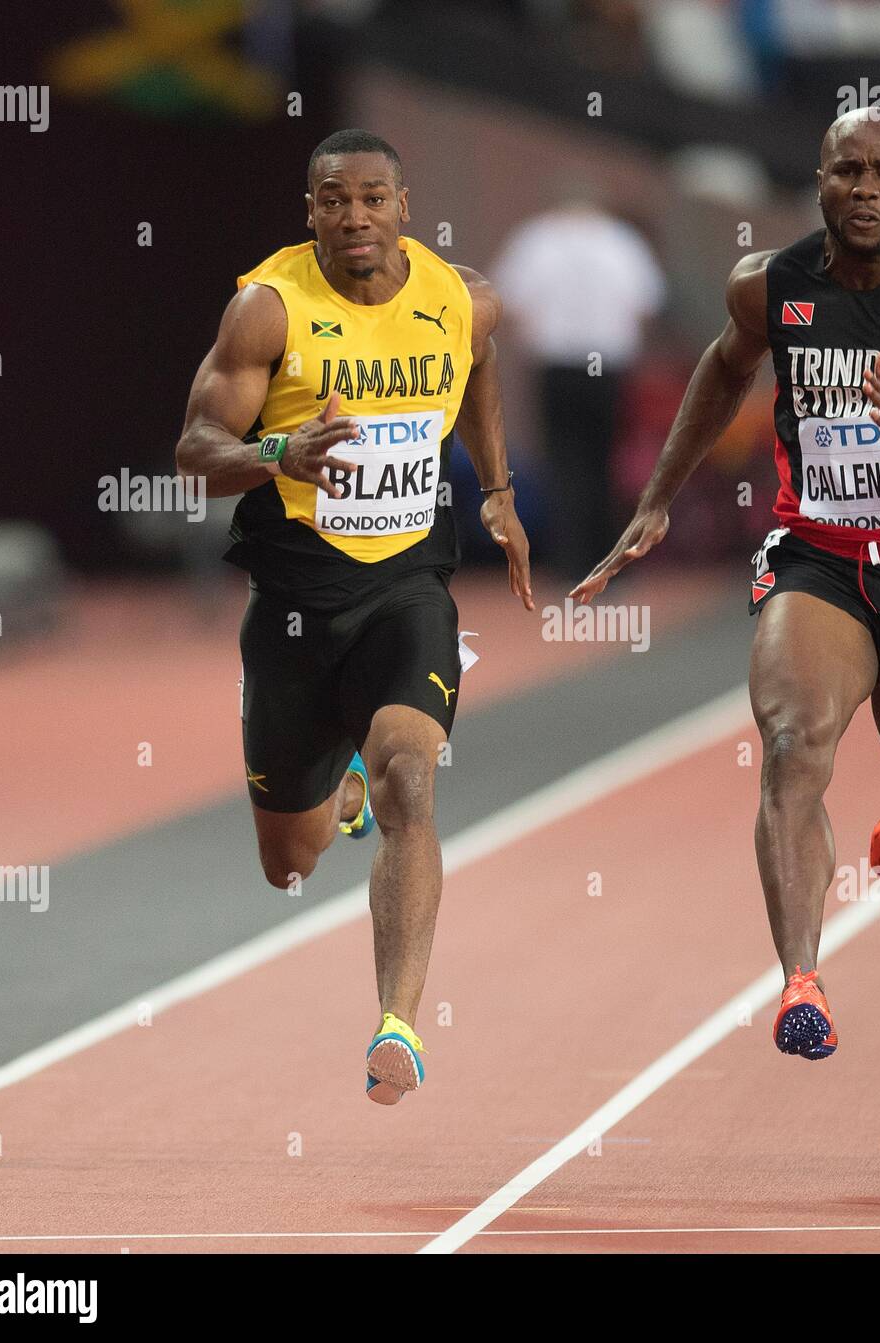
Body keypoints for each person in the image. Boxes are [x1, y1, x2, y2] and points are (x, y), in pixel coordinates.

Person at [573, 109, 880, 1062]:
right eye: (846, 172)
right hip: (818, 553)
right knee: (792, 743)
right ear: (819, 182)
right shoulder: (771, 286)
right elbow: (721, 369)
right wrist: (659, 498)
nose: (865, 190)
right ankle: (800, 981)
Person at [176, 129, 533, 1103]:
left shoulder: (458, 297)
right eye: (334, 200)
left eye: (372, 197)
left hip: (407, 587)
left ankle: (398, 1023)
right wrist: (277, 450)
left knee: (411, 779)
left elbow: (480, 360)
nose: (355, 216)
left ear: (403, 206)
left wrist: (495, 489)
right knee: (287, 866)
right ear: (311, 211)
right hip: (294, 603)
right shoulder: (269, 307)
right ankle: (332, 777)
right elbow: (192, 450)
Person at [493, 190, 665, 578]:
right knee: (606, 460)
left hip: (558, 365)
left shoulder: (537, 238)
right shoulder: (620, 241)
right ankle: (609, 556)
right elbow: (646, 304)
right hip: (606, 365)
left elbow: (508, 301)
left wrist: (537, 337)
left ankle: (569, 561)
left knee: (563, 461)